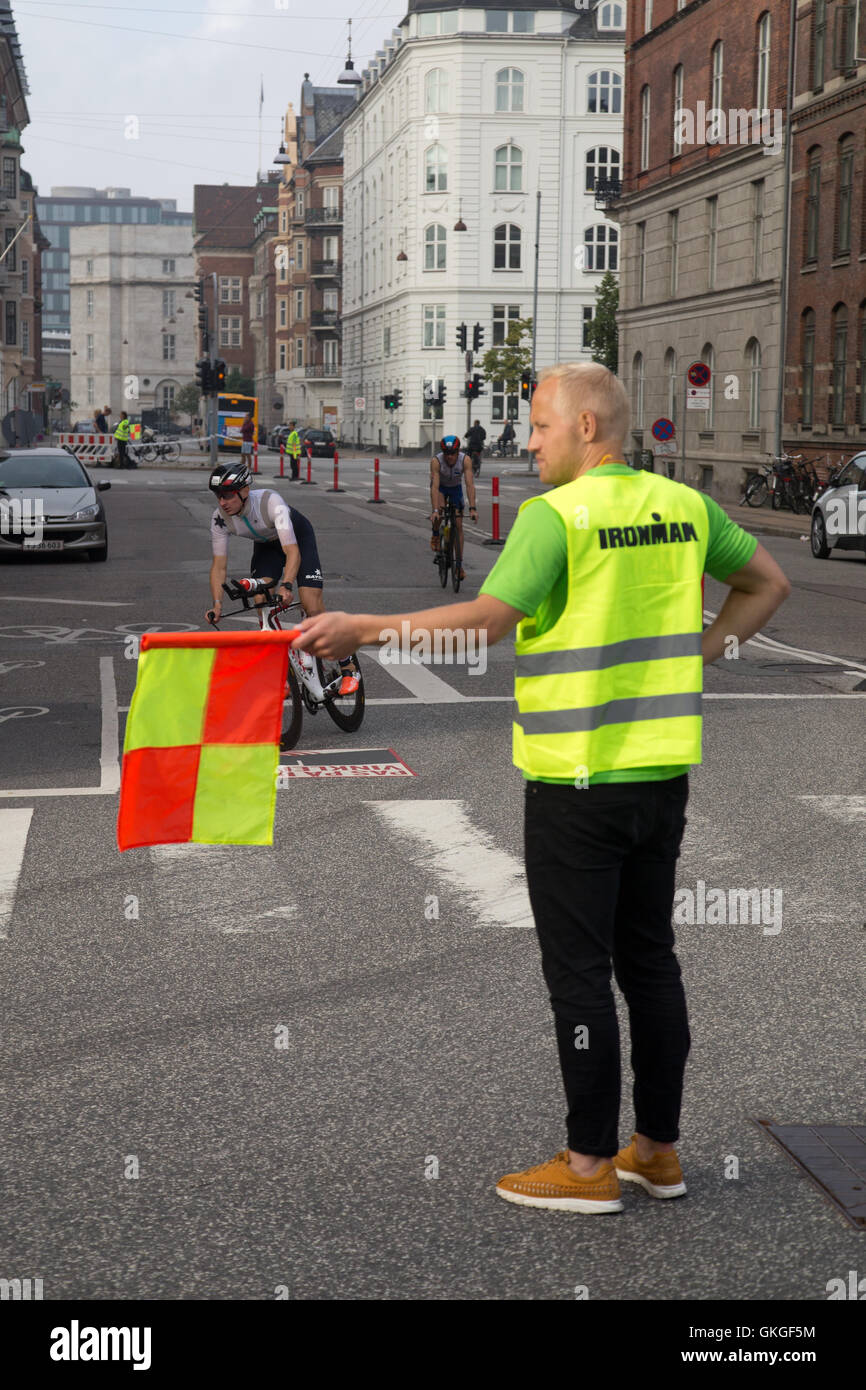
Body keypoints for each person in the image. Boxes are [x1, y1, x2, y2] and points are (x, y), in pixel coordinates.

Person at [291, 361, 791, 1214]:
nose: (528, 441)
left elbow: (488, 621)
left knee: (578, 975)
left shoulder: (554, 515)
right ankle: (658, 1152)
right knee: (651, 962)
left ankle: (590, 1166)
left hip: (574, 780)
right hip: (659, 775)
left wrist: (366, 630)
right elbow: (768, 584)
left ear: (587, 428)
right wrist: (703, 654)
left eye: (540, 426)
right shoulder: (687, 507)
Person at [205, 461, 359, 695]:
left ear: (244, 491)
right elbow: (219, 567)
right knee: (259, 597)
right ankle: (281, 669)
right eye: (218, 496)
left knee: (311, 602)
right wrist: (217, 604)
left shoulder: (270, 502)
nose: (222, 502)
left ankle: (347, 664)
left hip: (297, 540)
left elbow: (292, 552)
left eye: (227, 495)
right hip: (266, 547)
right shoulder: (220, 519)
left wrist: (287, 585)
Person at [429, 434, 478, 582]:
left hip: (456, 488)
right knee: (441, 510)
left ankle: (459, 566)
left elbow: (469, 485)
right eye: (446, 453)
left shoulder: (465, 460)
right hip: (441, 488)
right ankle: (436, 533)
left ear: (458, 451)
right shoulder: (436, 461)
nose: (449, 457)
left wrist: (473, 508)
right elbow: (435, 486)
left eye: (453, 453)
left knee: (458, 524)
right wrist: (435, 511)